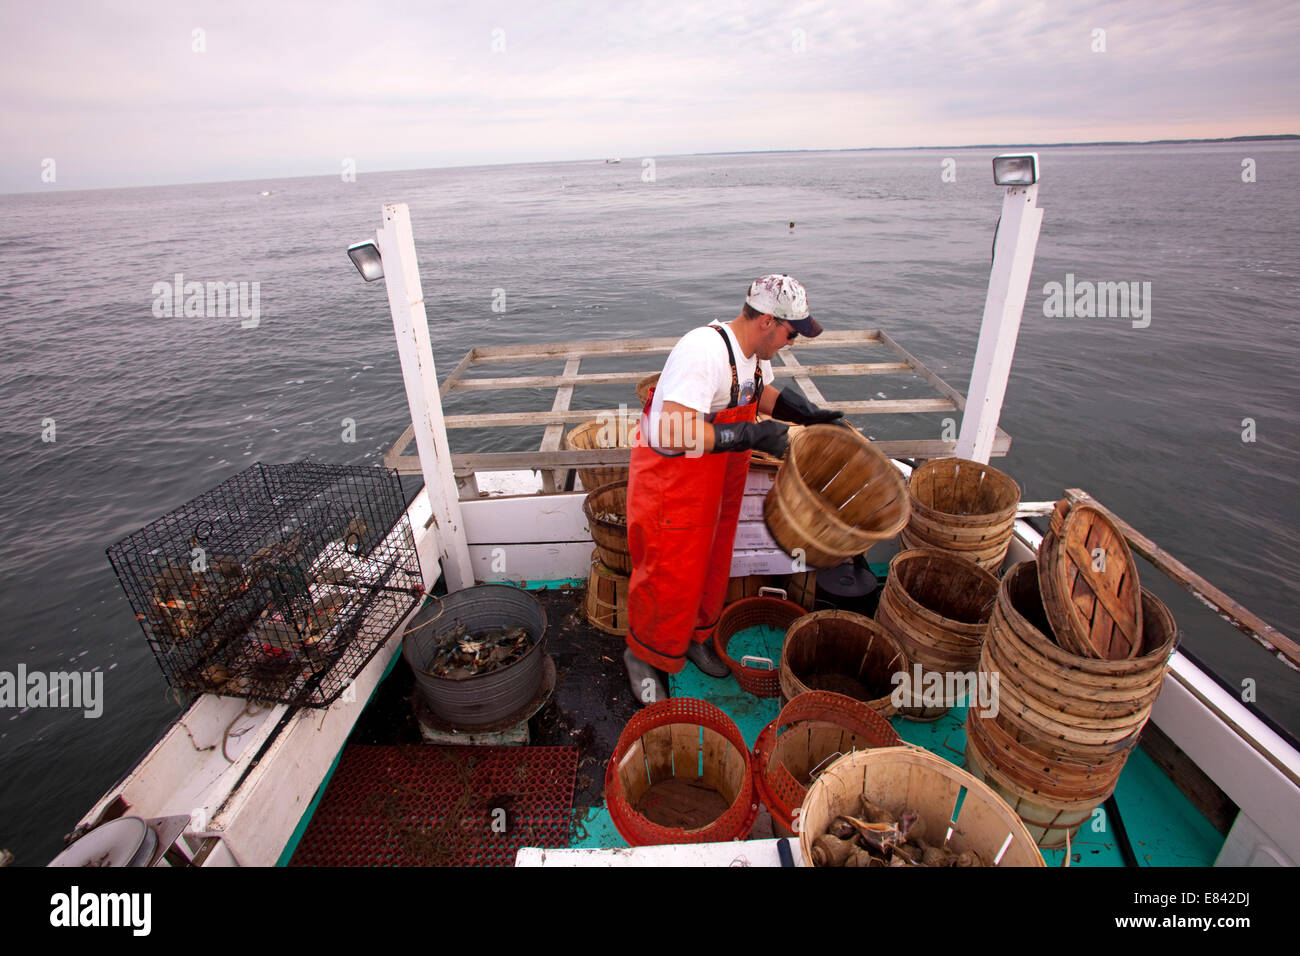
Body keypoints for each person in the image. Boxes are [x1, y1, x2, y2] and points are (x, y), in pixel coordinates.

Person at [623, 274, 844, 704]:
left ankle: (692, 636)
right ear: (766, 321)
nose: (792, 341)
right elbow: (672, 430)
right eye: (791, 332)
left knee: (709, 564)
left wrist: (807, 414)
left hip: (716, 483)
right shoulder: (703, 350)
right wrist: (751, 437)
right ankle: (642, 655)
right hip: (673, 485)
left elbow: (754, 393)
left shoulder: (754, 357)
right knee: (667, 573)